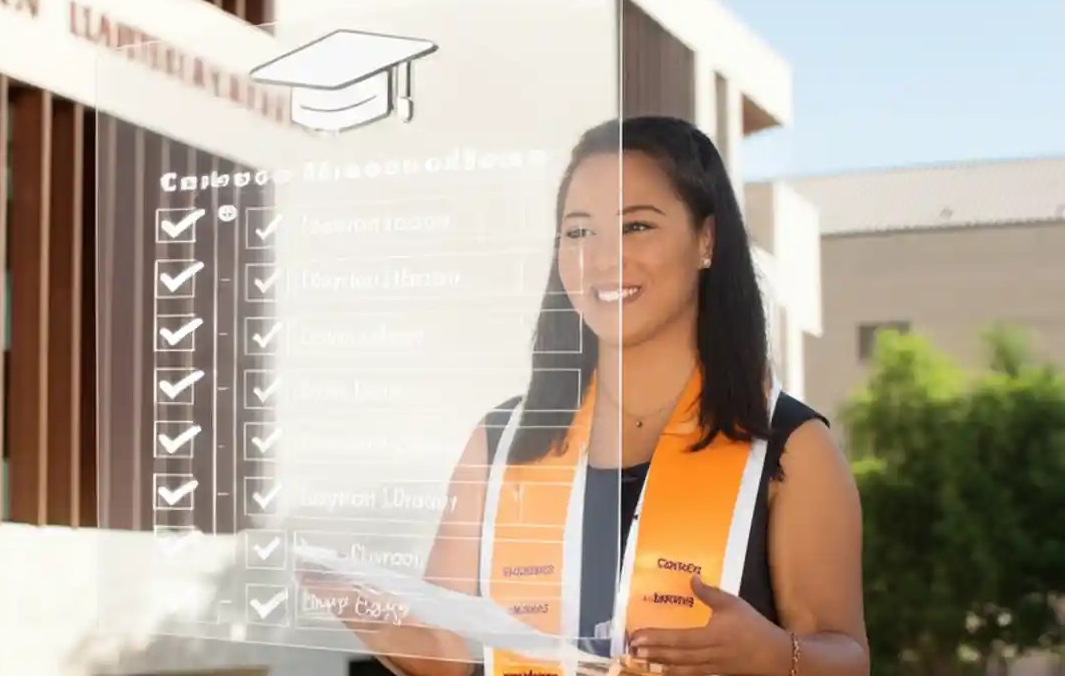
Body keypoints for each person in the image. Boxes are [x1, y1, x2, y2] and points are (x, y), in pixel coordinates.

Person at [303, 116, 869, 676]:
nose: (601, 257)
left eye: (636, 227)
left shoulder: (789, 448)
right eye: (578, 231)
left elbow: (847, 656)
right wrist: (343, 591)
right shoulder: (502, 443)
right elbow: (448, 655)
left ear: (706, 239)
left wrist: (773, 657)